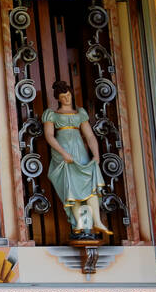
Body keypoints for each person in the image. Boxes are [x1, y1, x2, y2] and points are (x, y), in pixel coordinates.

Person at [41, 80, 110, 235]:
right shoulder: (51, 114)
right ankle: (78, 223)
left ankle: (96, 222)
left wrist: (96, 155)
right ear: (57, 98)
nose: (67, 99)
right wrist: (63, 153)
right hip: (63, 155)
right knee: (70, 188)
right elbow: (49, 136)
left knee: (89, 185)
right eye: (63, 97)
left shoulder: (80, 113)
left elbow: (90, 136)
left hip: (80, 153)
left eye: (68, 95)